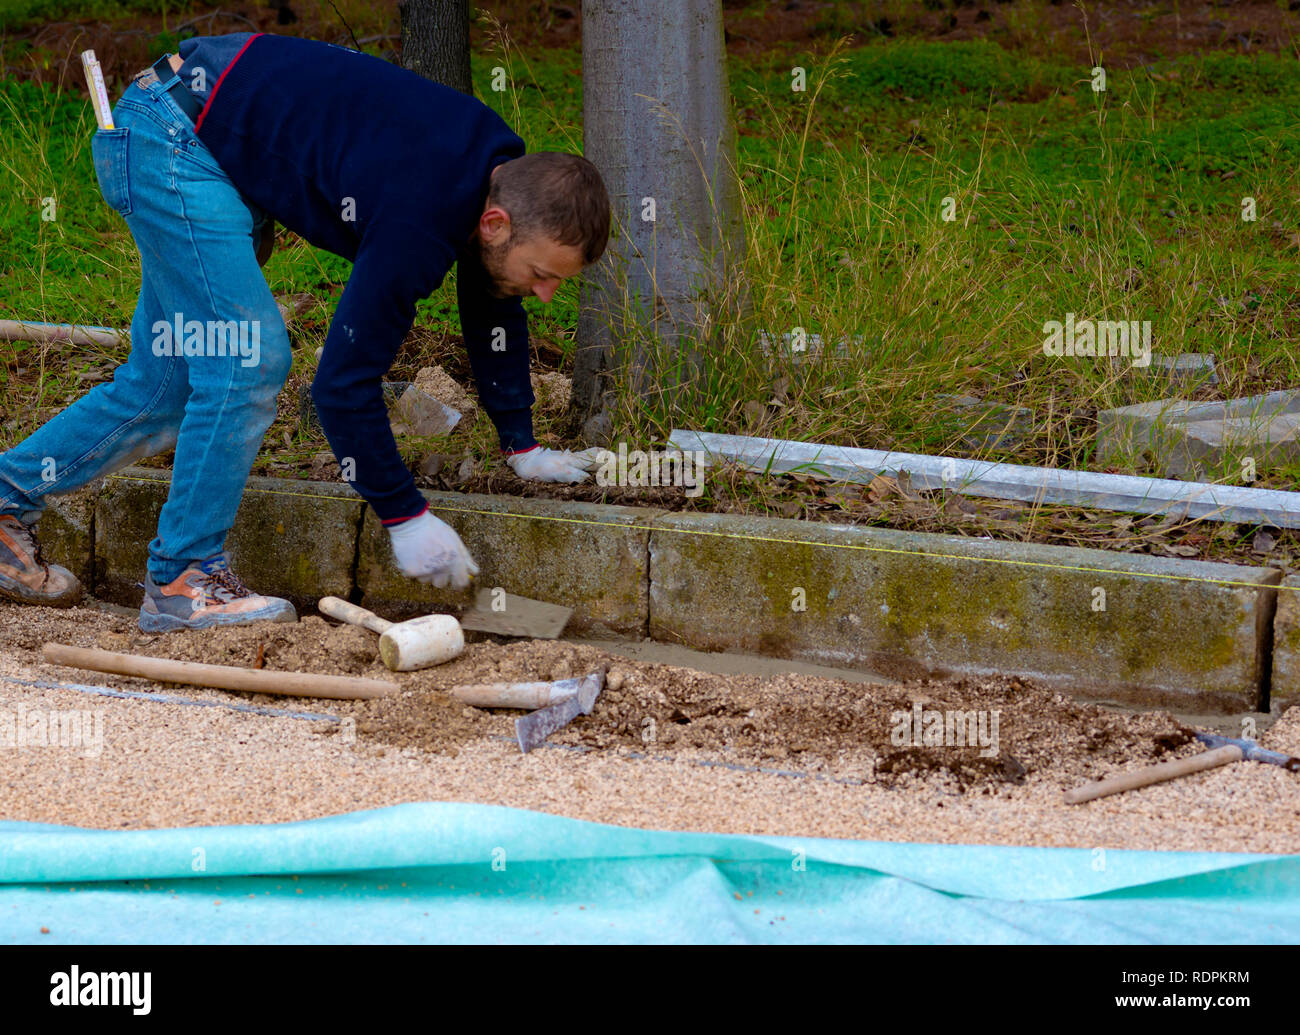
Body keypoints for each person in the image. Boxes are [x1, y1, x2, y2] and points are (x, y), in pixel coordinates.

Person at [0, 32, 611, 632]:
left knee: (167, 384)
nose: (546, 292)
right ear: (496, 223)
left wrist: (521, 447)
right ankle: (184, 581)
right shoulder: (421, 216)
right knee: (246, 361)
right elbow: (341, 385)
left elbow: (493, 296)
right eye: (542, 274)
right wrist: (404, 514)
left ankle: (5, 503)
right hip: (172, 139)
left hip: (179, 125)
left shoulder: (495, 178)